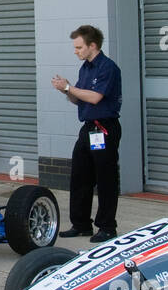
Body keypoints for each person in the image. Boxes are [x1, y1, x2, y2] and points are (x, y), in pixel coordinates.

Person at [51, 24, 122, 243]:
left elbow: (94, 97)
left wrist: (69, 88)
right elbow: (78, 98)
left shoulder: (107, 68)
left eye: (79, 47)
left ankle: (107, 226)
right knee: (80, 174)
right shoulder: (86, 68)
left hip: (104, 127)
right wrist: (66, 90)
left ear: (92, 46)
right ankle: (81, 224)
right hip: (89, 128)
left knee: (105, 177)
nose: (76, 51)